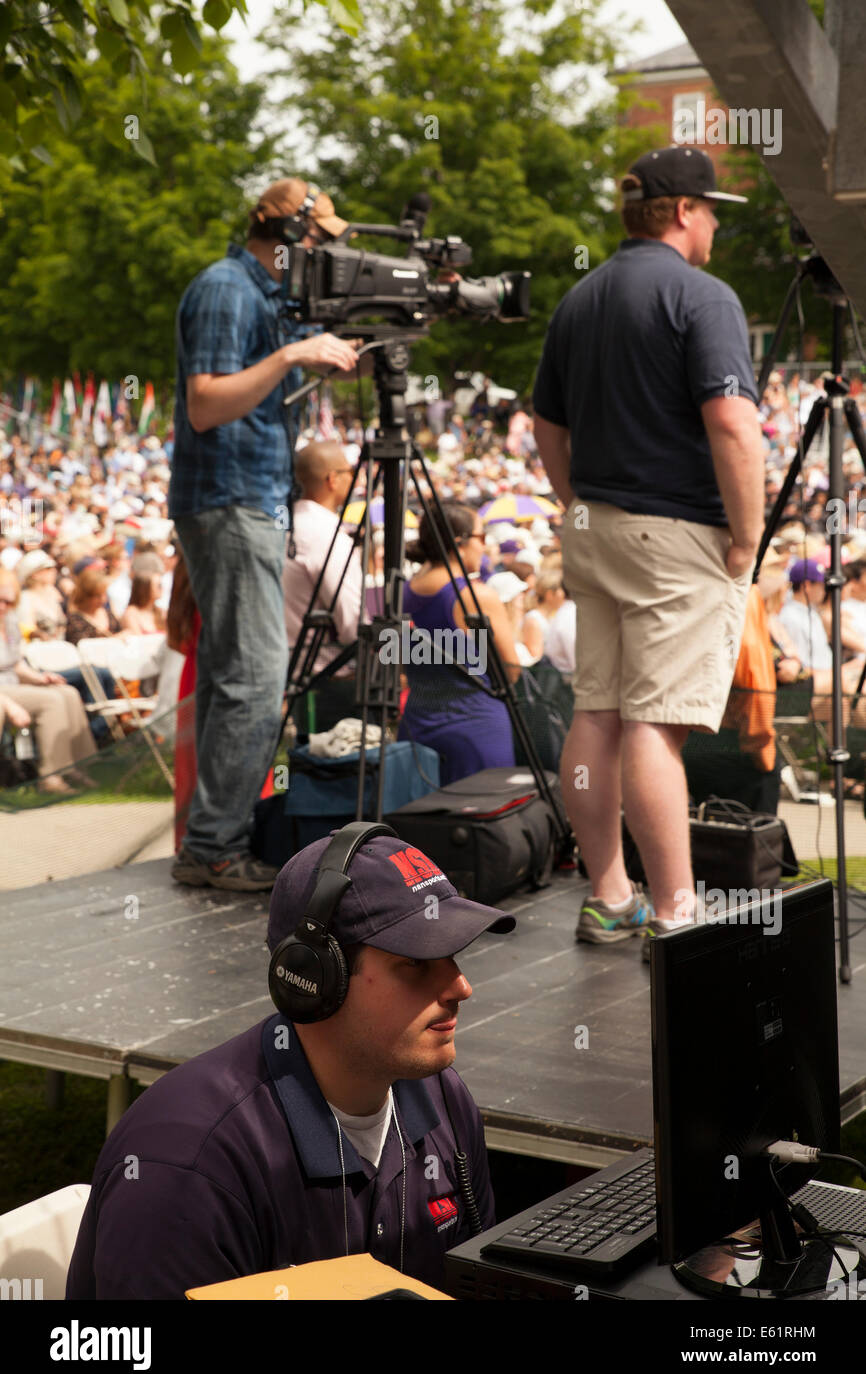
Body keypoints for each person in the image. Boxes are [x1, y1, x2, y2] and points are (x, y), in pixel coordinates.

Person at [66, 827, 513, 1298]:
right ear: (312, 978)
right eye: (417, 963)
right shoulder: (186, 1168)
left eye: (454, 955)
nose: (461, 987)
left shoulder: (441, 1096)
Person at [532, 145, 764, 958]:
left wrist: (576, 503)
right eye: (707, 210)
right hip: (676, 534)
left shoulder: (581, 296)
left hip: (598, 527)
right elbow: (733, 423)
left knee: (597, 711)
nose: (711, 226)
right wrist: (747, 532)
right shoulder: (703, 296)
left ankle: (608, 895)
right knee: (655, 727)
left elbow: (546, 427)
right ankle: (675, 910)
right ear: (677, 212)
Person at [168, 178, 362, 891]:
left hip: (248, 499)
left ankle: (206, 842)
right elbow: (206, 403)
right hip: (229, 499)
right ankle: (216, 843)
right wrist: (290, 356)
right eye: (316, 240)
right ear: (284, 237)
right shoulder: (226, 288)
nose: (323, 253)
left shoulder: (270, 298)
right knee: (255, 678)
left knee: (231, 673)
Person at [399, 503, 520, 782]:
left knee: (417, 822)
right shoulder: (476, 596)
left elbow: (399, 662)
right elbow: (511, 670)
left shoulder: (402, 591)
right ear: (460, 542)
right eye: (481, 537)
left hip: (416, 726)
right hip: (476, 729)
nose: (485, 546)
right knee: (485, 820)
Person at [282, 440, 363, 736]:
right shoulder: (323, 533)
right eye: (349, 471)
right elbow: (349, 614)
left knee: (309, 767)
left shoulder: (286, 524)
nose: (354, 477)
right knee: (342, 772)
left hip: (297, 673)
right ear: (332, 479)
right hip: (331, 678)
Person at [0, 568, 97, 793]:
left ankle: (77, 766)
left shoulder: (10, 622)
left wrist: (41, 678)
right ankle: (50, 777)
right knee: (51, 701)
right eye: (0, 600)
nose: (3, 605)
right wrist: (10, 705)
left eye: (8, 600)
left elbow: (16, 665)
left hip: (13, 683)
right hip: (4, 691)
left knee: (68, 693)